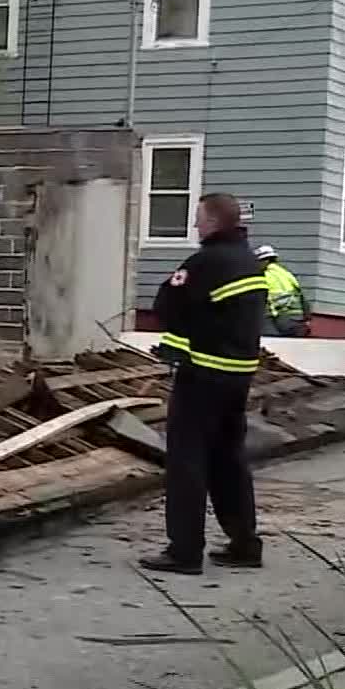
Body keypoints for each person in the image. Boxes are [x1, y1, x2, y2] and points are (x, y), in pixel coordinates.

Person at [140, 193, 269, 576]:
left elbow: (169, 303)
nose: (195, 225)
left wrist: (173, 350)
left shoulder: (207, 262)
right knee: (229, 459)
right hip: (238, 377)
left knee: (187, 460)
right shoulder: (249, 262)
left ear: (213, 222)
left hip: (202, 375)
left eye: (198, 218)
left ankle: (184, 550)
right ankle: (244, 543)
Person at [255, 244, 309, 337]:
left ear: (265, 260)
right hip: (296, 319)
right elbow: (301, 296)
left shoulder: (263, 276)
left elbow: (260, 300)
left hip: (276, 319)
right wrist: (307, 317)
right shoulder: (287, 274)